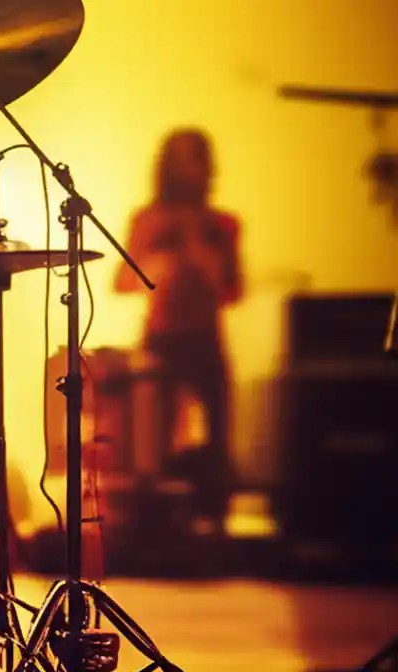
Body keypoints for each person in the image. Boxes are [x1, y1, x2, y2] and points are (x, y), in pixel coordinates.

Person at [115, 128, 243, 533]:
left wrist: (201, 251)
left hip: (206, 338)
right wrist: (158, 258)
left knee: (219, 431)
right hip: (162, 339)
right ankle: (154, 520)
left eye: (199, 159)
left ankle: (214, 516)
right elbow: (122, 281)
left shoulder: (222, 224)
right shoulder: (149, 219)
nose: (193, 169)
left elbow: (234, 289)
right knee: (153, 438)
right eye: (185, 159)